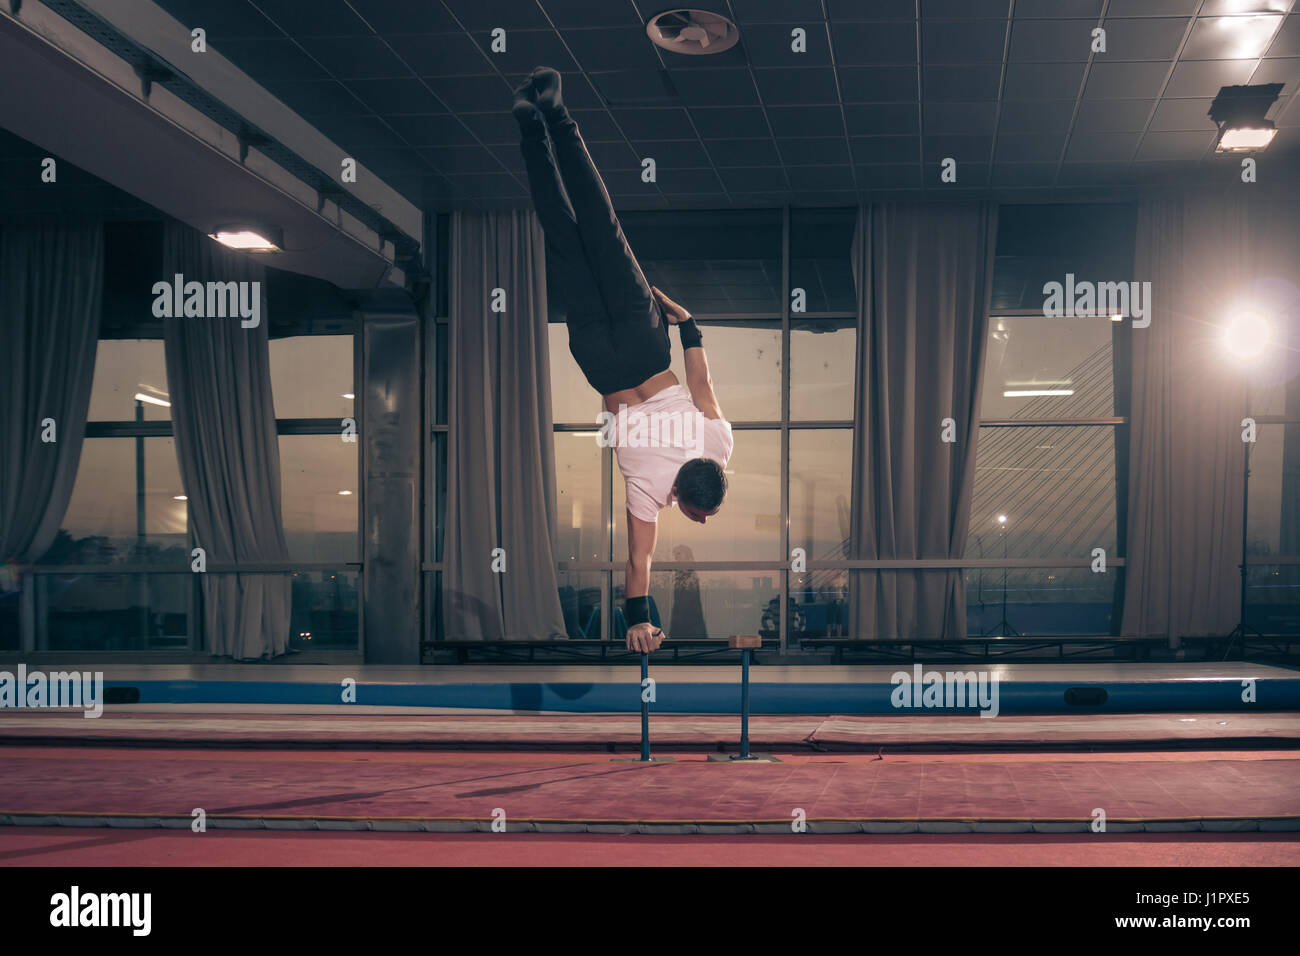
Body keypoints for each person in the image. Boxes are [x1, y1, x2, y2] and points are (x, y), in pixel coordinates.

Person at [513, 67, 734, 655]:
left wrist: (690, 326)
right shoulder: (647, 496)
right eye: (700, 511)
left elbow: (701, 381)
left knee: (601, 229)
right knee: (563, 237)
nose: (701, 519)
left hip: (642, 343)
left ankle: (557, 115)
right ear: (684, 495)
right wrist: (636, 619)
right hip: (603, 365)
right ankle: (530, 126)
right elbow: (639, 561)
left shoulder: (717, 448)